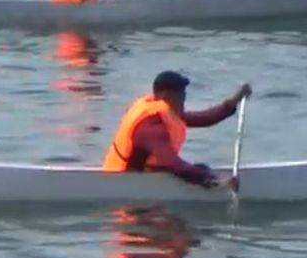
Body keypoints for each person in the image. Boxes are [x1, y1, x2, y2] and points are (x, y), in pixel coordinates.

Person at [102, 71, 252, 189]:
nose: (185, 98)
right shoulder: (151, 128)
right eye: (181, 94)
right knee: (199, 173)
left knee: (201, 169)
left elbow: (203, 118)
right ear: (166, 96)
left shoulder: (164, 112)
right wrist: (214, 179)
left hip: (144, 177)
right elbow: (176, 165)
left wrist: (235, 100)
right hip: (126, 185)